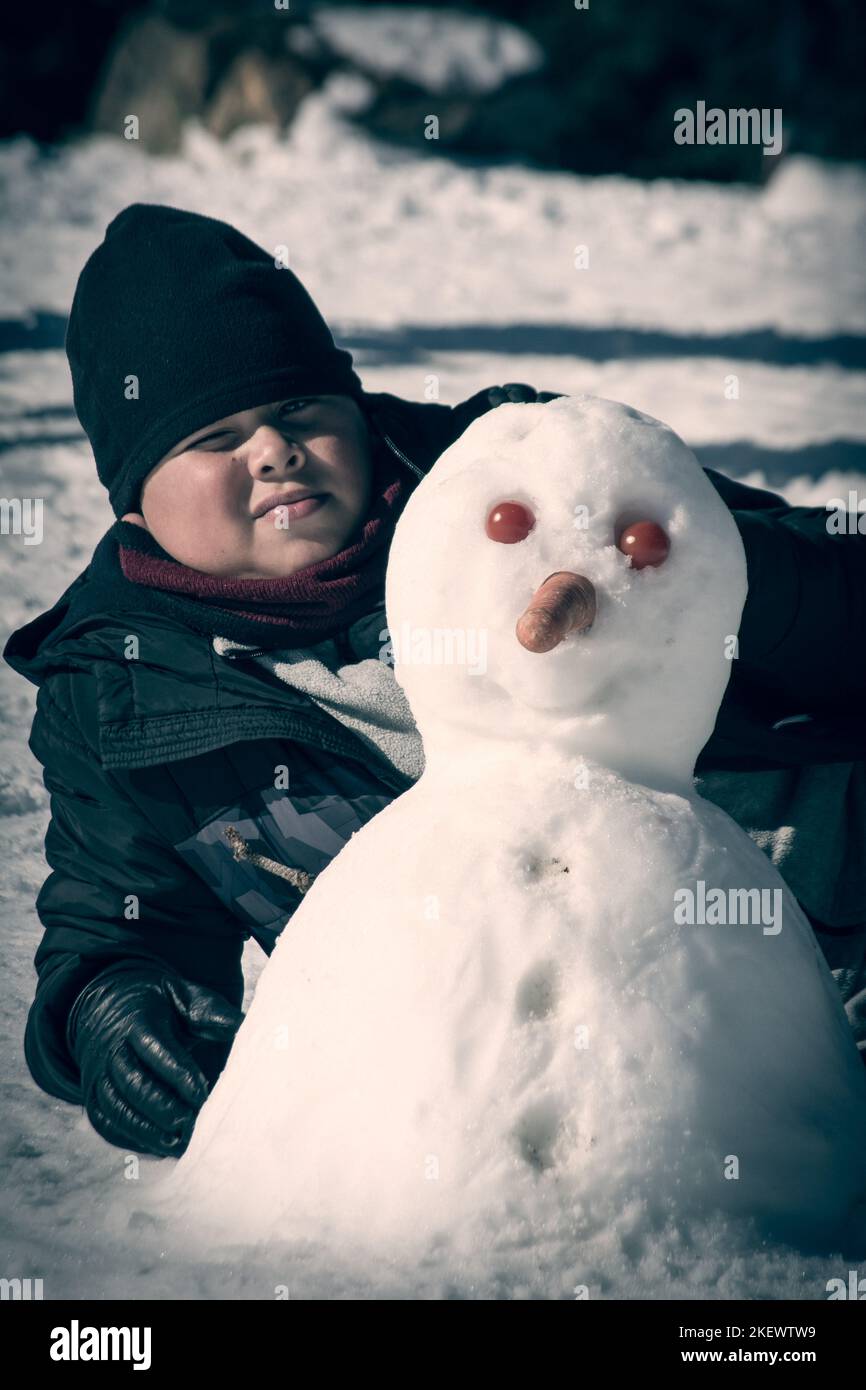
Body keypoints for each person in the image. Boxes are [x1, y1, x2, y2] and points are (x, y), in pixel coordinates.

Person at [4, 204, 865, 1160]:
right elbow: (119, 917)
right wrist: (111, 1011)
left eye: (298, 411)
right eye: (214, 437)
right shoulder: (116, 688)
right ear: (133, 494)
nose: (273, 451)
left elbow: (845, 589)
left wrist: (698, 572)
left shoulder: (520, 476)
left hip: (826, 937)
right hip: (547, 1099)